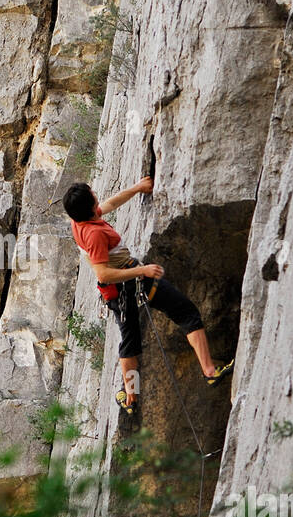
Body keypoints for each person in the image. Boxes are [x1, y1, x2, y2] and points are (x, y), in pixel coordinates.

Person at [62, 177, 233, 415]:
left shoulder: (80, 221)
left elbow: (109, 205)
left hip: (121, 292)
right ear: (89, 205)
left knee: (131, 341)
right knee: (185, 313)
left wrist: (137, 188)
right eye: (92, 194)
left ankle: (131, 397)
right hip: (129, 284)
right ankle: (210, 371)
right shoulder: (94, 235)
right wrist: (142, 270)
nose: (95, 194)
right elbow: (103, 273)